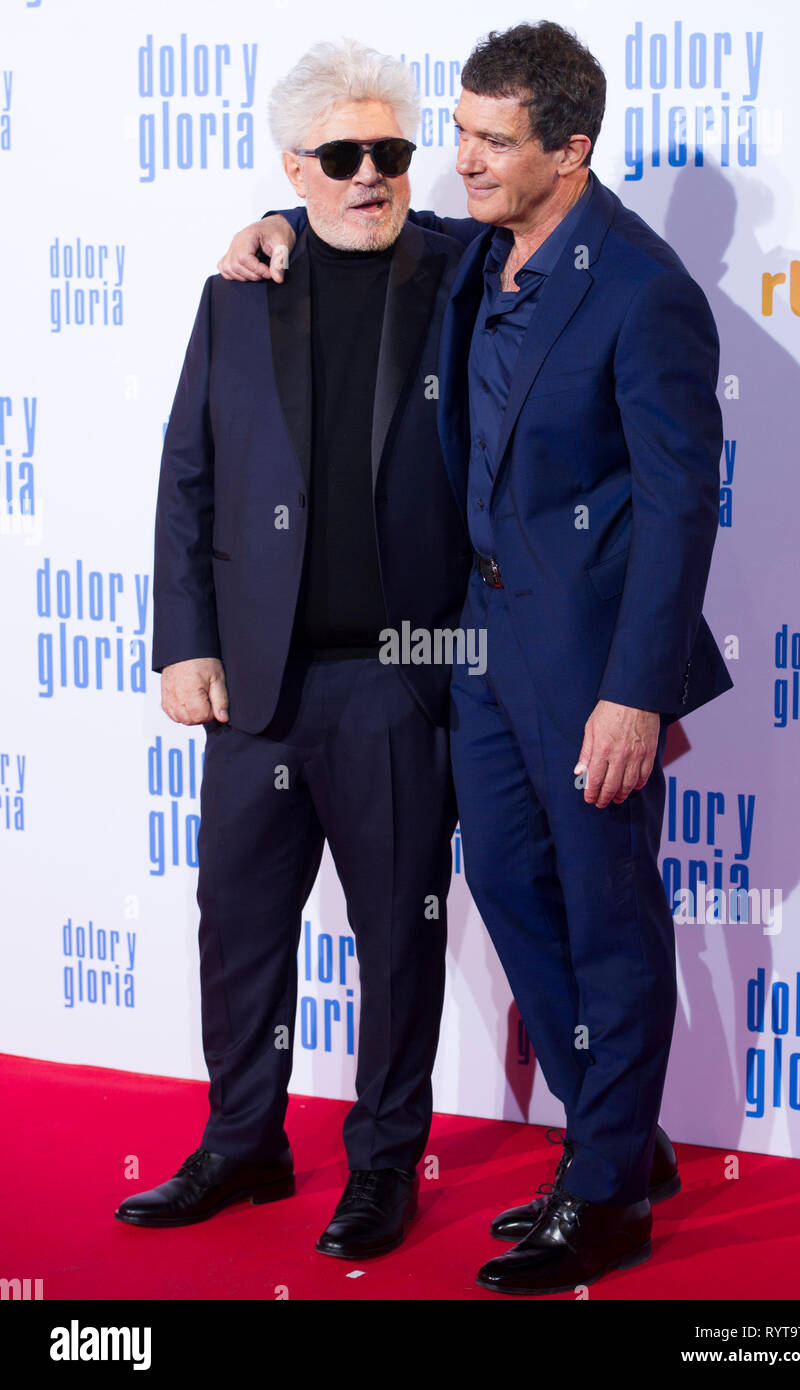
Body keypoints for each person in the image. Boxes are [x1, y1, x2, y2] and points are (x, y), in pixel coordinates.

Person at [220, 20, 733, 1295]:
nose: (459, 162)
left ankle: (606, 1190)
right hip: (477, 651)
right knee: (506, 888)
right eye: (455, 132)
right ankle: (620, 1141)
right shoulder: (472, 253)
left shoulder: (642, 291)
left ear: (571, 149)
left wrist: (636, 689)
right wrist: (259, 230)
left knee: (609, 918)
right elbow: (361, 221)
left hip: (590, 667)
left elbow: (677, 508)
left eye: (491, 142)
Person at [115, 39, 473, 1261]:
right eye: (341, 157)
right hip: (253, 688)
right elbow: (187, 474)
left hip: (394, 675)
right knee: (242, 925)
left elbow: (568, 218)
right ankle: (242, 1143)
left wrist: (279, 206)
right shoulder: (241, 285)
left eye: (392, 152)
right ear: (294, 166)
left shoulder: (462, 265)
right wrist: (182, 642)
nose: (371, 176)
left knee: (396, 935)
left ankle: (382, 1163)